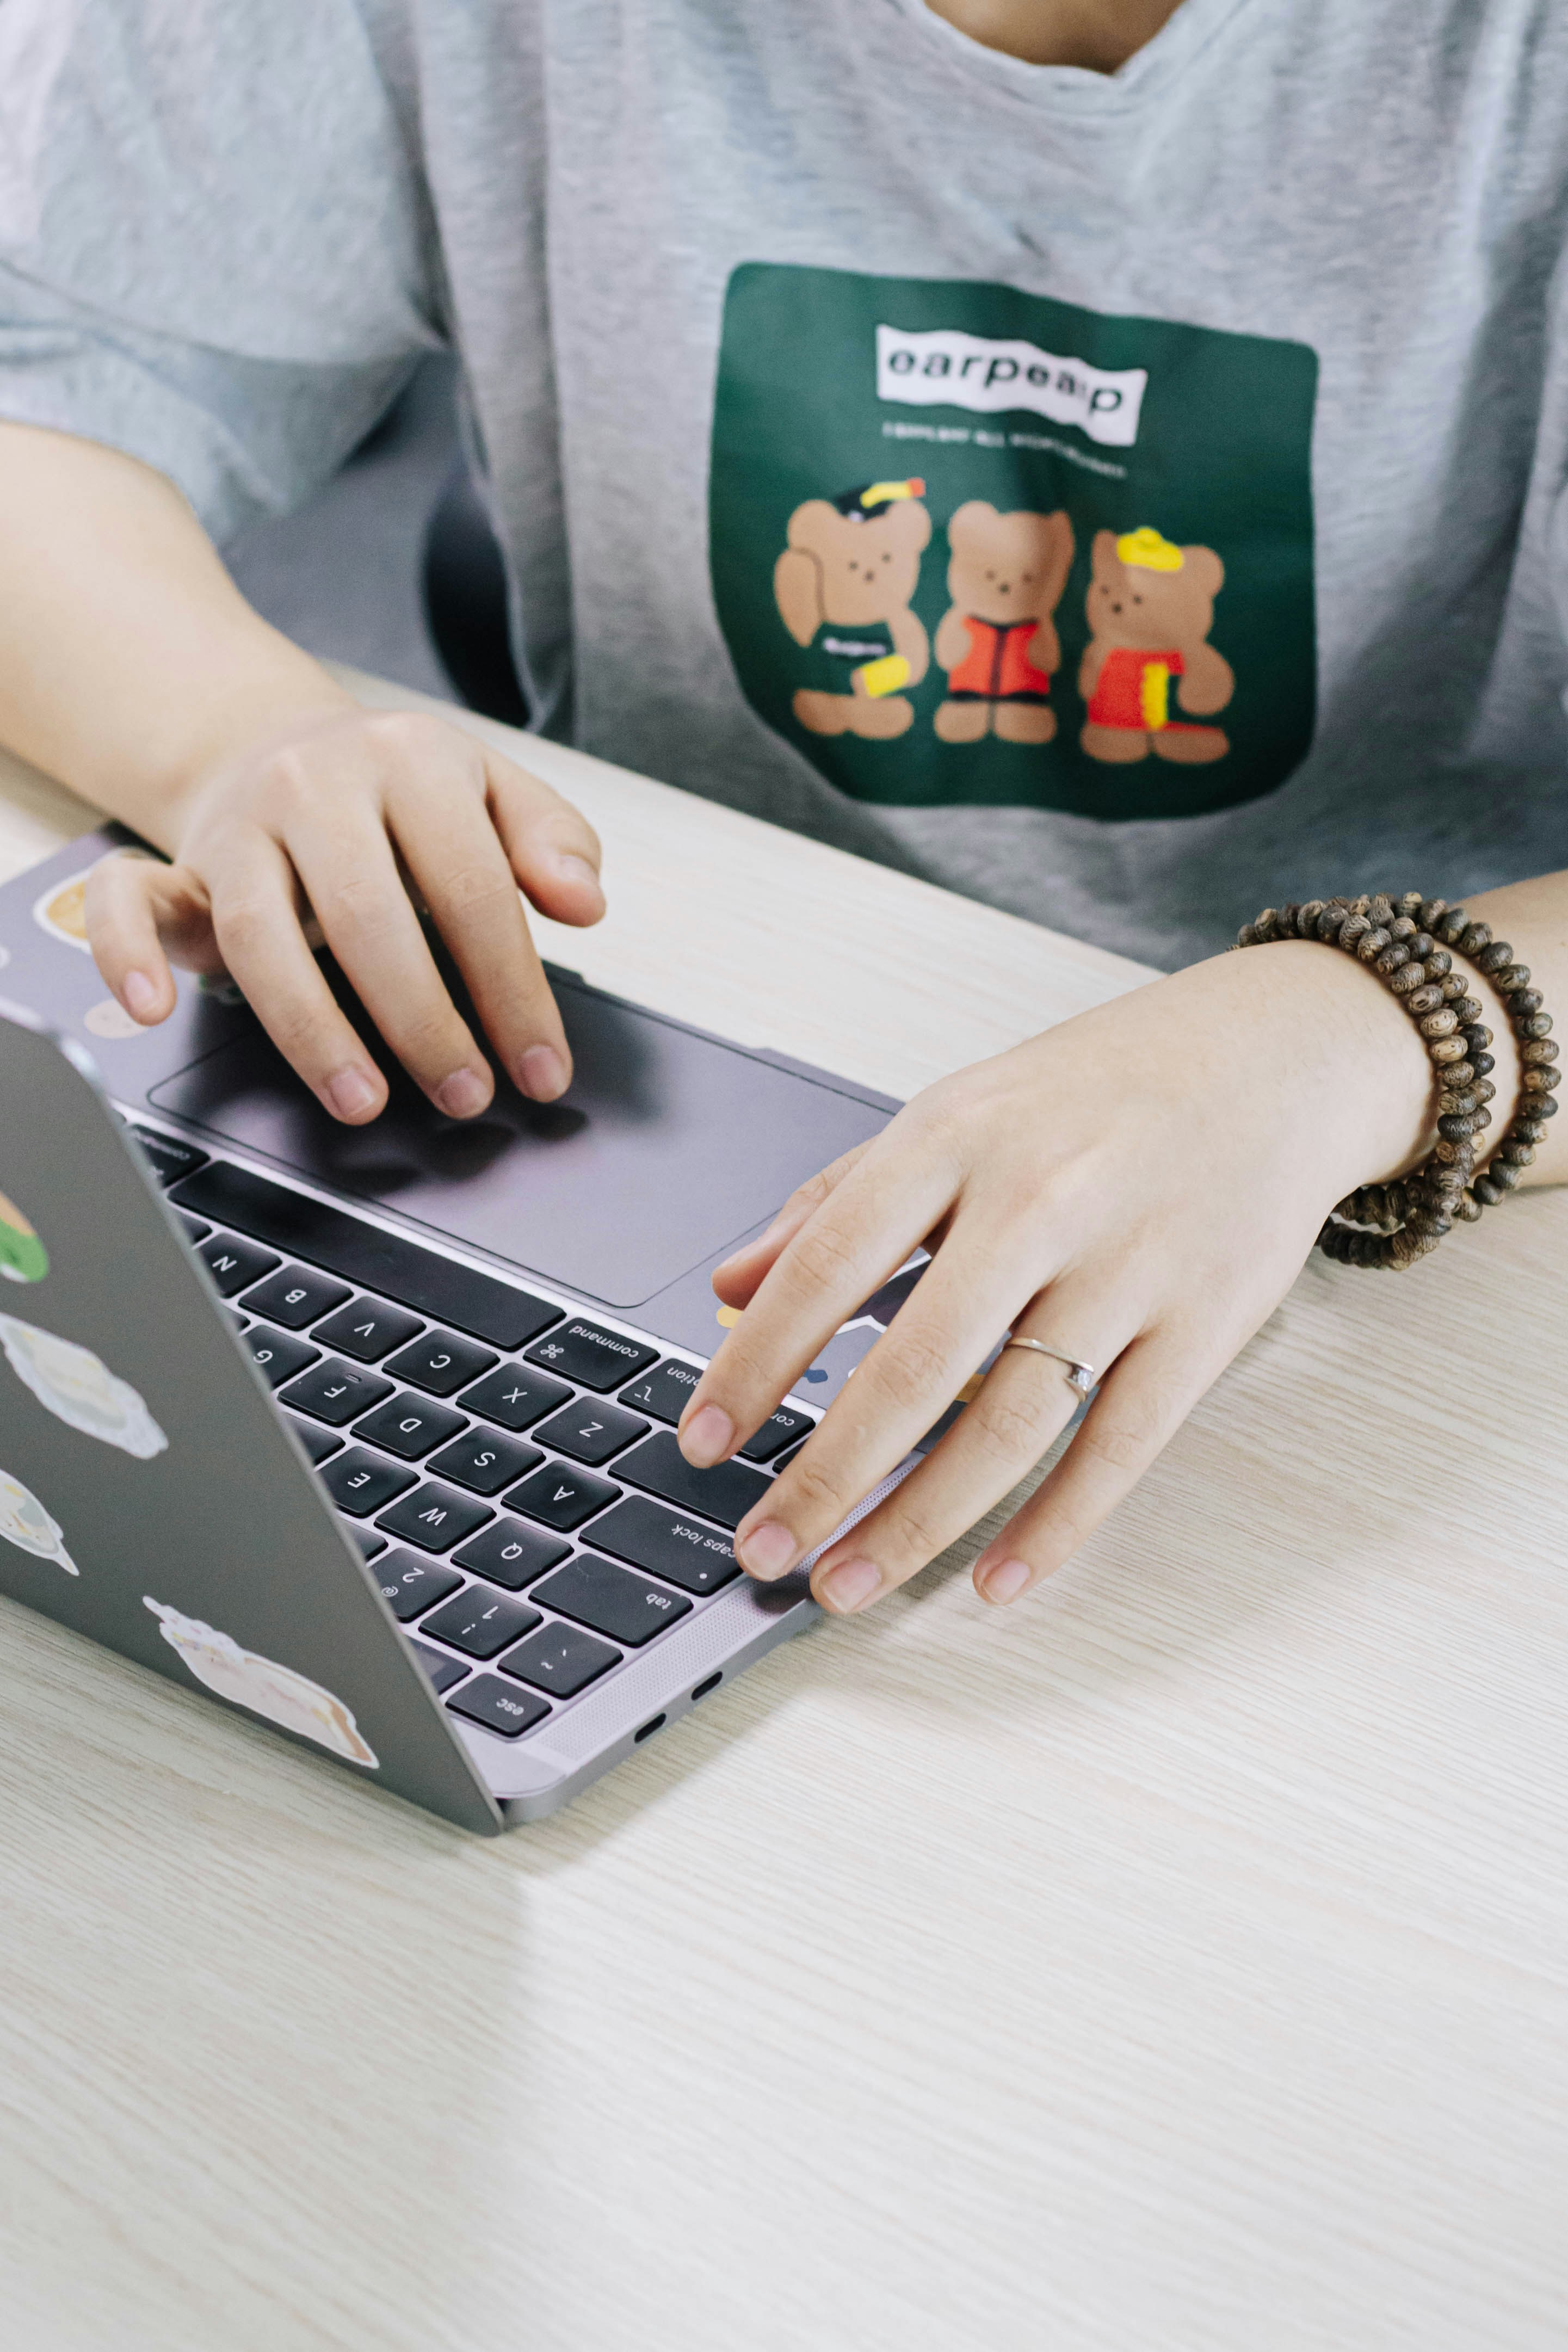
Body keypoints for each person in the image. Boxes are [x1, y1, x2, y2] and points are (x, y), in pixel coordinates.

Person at [0, 0, 1564, 1626]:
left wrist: (1369, 1033)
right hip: (653, 1061)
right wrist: (236, 736)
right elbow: (46, 378)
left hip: (1426, 1219)